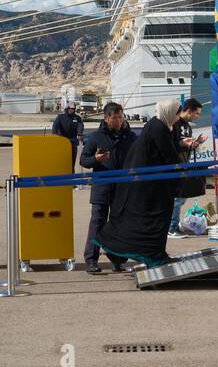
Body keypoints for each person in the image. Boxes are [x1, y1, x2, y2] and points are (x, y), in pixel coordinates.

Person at [95, 99, 185, 266]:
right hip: (148, 186)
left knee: (142, 219)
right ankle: (153, 255)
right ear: (170, 113)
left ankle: (149, 253)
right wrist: (184, 171)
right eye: (177, 114)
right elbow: (169, 155)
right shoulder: (158, 127)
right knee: (151, 219)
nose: (178, 118)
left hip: (148, 183)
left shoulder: (159, 125)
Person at [79, 102, 136, 274]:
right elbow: (83, 161)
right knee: (97, 223)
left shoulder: (131, 137)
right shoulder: (96, 137)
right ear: (106, 118)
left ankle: (118, 260)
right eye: (115, 117)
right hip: (102, 188)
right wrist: (96, 159)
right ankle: (91, 260)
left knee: (119, 225)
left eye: (121, 117)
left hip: (123, 189)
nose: (119, 121)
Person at [168, 98, 206, 237]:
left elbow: (186, 146)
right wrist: (185, 144)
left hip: (183, 164)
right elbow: (174, 144)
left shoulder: (186, 126)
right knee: (178, 198)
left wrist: (196, 142)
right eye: (197, 113)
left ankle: (173, 223)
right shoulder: (178, 124)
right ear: (189, 111)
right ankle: (171, 227)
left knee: (180, 198)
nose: (198, 116)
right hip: (176, 166)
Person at [51, 100, 85, 170]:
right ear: (66, 109)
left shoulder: (77, 118)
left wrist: (80, 133)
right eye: (69, 109)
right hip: (62, 142)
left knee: (72, 160)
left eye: (73, 109)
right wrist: (55, 135)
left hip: (73, 142)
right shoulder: (60, 117)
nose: (71, 110)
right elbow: (55, 126)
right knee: (62, 160)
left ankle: (71, 173)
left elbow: (80, 125)